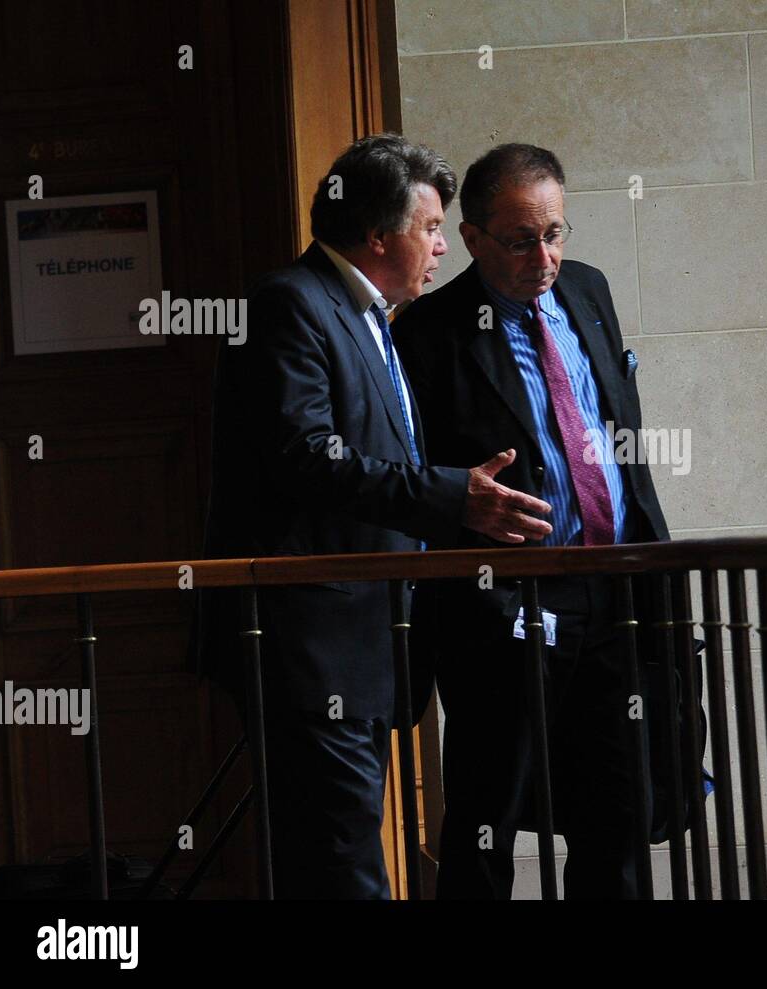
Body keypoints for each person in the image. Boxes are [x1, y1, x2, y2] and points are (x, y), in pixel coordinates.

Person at [194, 134, 552, 898]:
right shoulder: (290, 303)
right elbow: (307, 456)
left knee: (339, 856)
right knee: (342, 869)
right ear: (378, 235)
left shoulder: (368, 316)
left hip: (359, 647)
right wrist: (454, 495)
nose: (438, 248)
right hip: (311, 645)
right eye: (429, 229)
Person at [394, 143, 672, 899]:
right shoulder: (426, 333)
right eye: (520, 239)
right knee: (488, 816)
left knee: (616, 814)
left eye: (554, 233)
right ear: (474, 237)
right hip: (505, 608)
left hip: (613, 597)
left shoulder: (589, 291)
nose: (543, 256)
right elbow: (411, 479)